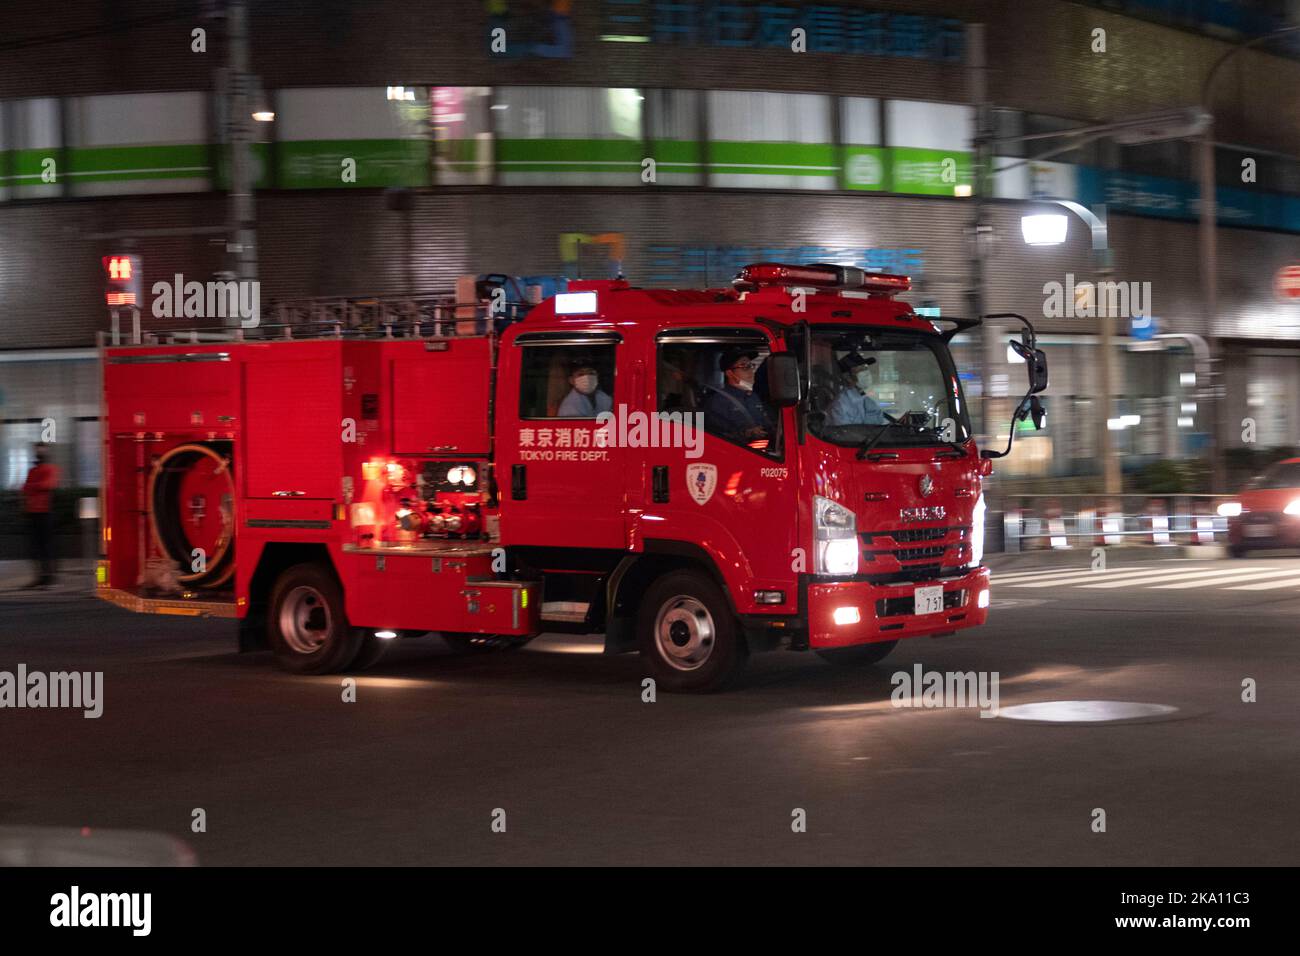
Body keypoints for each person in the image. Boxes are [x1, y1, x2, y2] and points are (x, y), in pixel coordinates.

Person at [701, 347, 773, 444]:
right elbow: (716, 435)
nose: (751, 371)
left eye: (751, 366)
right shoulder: (718, 401)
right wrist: (746, 433)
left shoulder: (754, 396)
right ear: (730, 373)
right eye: (744, 367)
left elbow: (767, 423)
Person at [22, 443, 59, 588]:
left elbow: (48, 485)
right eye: (38, 450)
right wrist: (35, 486)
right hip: (33, 512)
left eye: (41, 450)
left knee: (46, 546)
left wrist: (33, 486)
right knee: (35, 546)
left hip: (45, 512)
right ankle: (41, 576)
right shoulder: (33, 470)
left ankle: (49, 576)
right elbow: (25, 487)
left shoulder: (51, 469)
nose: (39, 452)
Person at [827, 352, 887, 426]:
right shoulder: (840, 406)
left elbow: (879, 422)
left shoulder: (866, 399)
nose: (866, 373)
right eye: (860, 370)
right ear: (848, 377)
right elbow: (844, 435)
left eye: (865, 368)